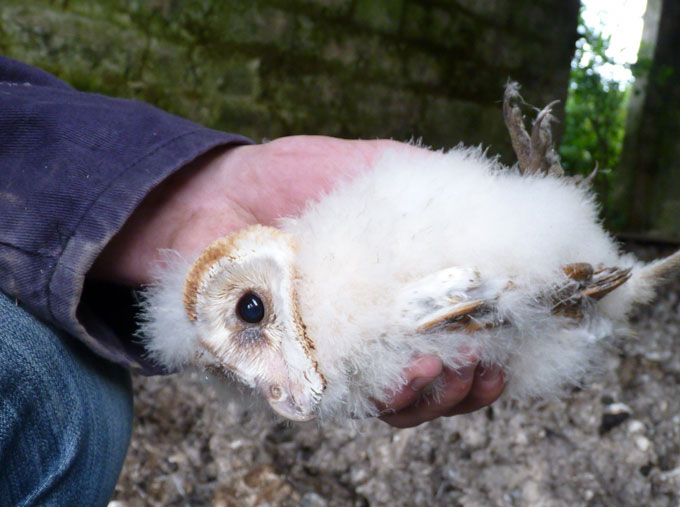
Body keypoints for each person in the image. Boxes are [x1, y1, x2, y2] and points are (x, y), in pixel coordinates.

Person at [0, 56, 505, 505]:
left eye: (250, 310)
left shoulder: (324, 243)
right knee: (54, 397)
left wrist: (194, 193)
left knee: (66, 401)